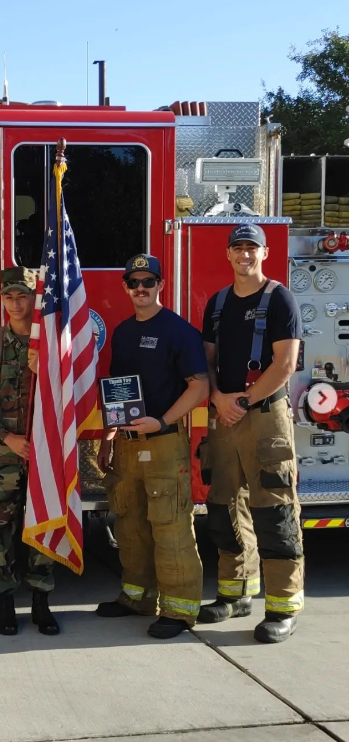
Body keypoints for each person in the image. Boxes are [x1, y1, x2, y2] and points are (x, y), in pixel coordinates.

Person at [199, 223, 304, 643]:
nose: (245, 255)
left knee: (273, 511)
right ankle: (236, 593)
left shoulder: (280, 299)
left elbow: (285, 364)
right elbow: (206, 359)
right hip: (224, 415)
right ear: (228, 254)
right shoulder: (218, 303)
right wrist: (219, 398)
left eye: (252, 248)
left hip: (263, 417)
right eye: (238, 248)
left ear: (265, 253)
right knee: (223, 507)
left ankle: (283, 605)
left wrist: (241, 401)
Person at [97, 254, 207, 639]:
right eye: (133, 283)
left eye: (148, 282)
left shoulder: (179, 331)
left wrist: (161, 421)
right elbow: (118, 391)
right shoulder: (123, 331)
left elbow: (199, 386)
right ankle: (137, 598)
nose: (140, 289)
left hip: (163, 444)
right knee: (130, 525)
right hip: (127, 447)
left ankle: (178, 610)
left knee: (170, 527)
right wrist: (109, 437)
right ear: (125, 287)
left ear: (161, 285)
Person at [0, 267, 59, 637]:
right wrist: (8, 438)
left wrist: (48, 368)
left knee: (42, 526)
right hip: (3, 455)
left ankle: (41, 602)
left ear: (35, 299)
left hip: (43, 453)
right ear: (2, 300)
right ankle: (5, 603)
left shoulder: (51, 345)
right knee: (1, 528)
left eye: (23, 296)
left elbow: (68, 399)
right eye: (9, 297)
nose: (16, 303)